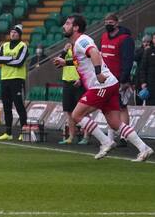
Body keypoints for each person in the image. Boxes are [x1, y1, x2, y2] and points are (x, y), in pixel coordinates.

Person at [62, 13, 153, 162]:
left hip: (101, 85)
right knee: (115, 123)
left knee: (77, 114)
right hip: (109, 84)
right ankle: (144, 148)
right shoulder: (78, 43)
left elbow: (94, 53)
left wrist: (98, 73)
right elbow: (84, 60)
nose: (64, 26)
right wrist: (66, 62)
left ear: (76, 27)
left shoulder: (82, 40)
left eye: (67, 23)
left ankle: (106, 142)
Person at [0, 24, 29, 141]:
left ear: (19, 34)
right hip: (5, 79)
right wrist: (11, 59)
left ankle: (24, 131)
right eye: (12, 32)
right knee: (6, 106)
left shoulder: (23, 46)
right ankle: (8, 133)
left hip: (17, 79)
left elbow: (19, 62)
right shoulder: (4, 45)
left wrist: (5, 60)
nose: (13, 34)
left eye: (15, 32)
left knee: (19, 106)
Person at [98, 12, 136, 107]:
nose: (108, 25)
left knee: (121, 107)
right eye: (106, 23)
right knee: (108, 106)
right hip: (106, 78)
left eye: (111, 22)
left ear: (117, 23)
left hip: (118, 79)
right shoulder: (103, 36)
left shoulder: (125, 39)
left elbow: (128, 61)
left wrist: (123, 80)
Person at [53, 40, 84, 144]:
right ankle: (71, 137)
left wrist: (81, 79)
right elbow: (57, 64)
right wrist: (64, 50)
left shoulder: (80, 48)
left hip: (78, 82)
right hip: (67, 81)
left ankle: (86, 137)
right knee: (69, 111)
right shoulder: (67, 49)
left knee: (83, 111)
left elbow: (82, 64)